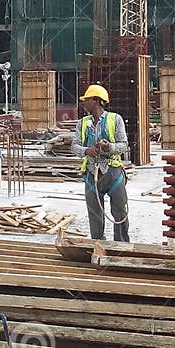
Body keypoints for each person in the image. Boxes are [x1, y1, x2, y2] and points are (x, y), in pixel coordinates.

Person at [73, 84, 130, 242]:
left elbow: (124, 145)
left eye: (87, 100)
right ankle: (98, 244)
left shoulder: (115, 119)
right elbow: (74, 146)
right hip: (92, 174)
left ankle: (122, 246)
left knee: (120, 211)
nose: (84, 103)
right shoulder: (83, 123)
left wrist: (108, 147)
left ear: (97, 101)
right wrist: (86, 151)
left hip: (113, 173)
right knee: (95, 213)